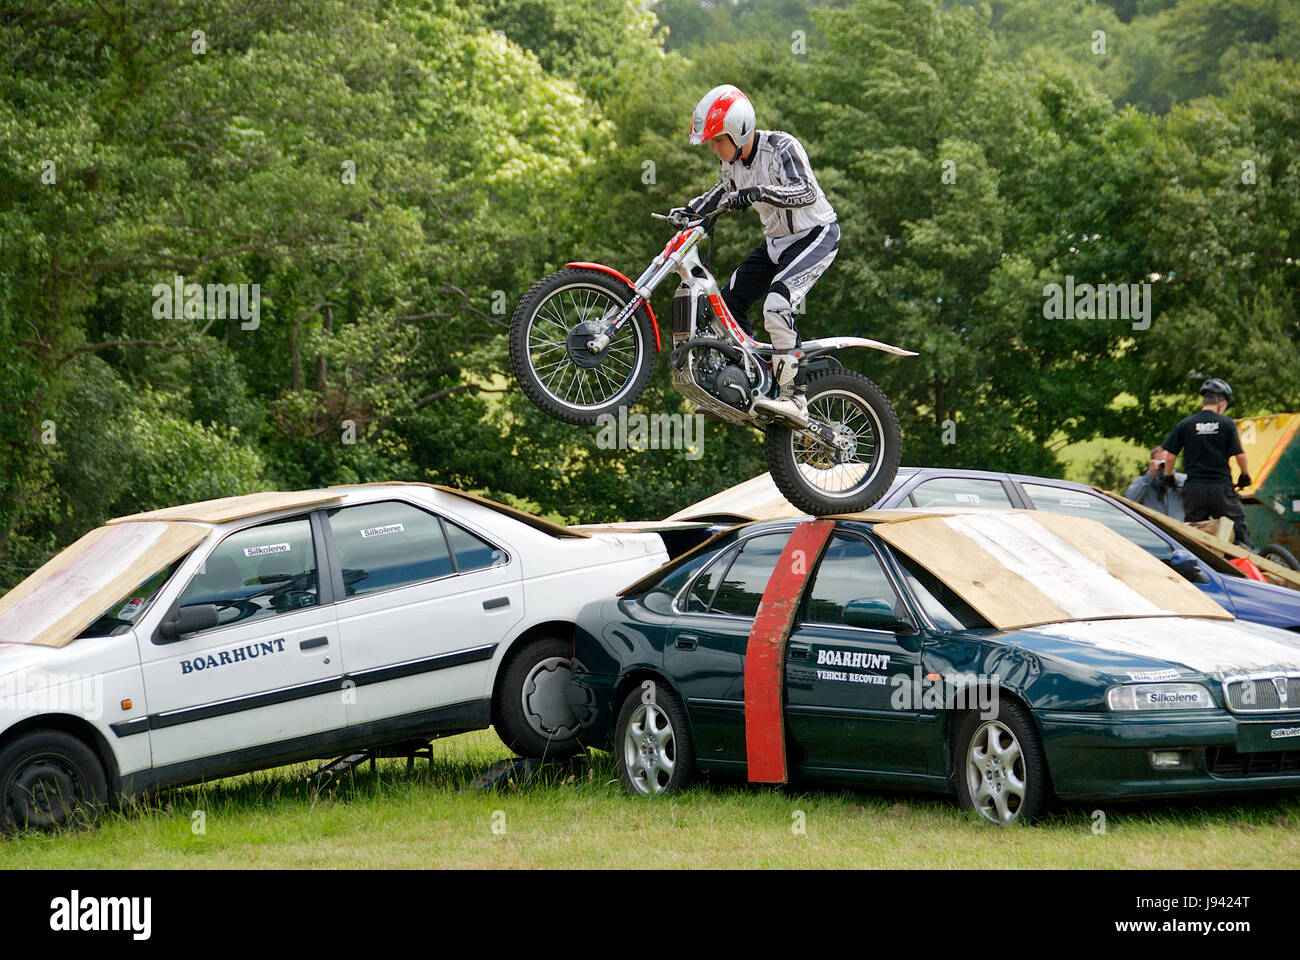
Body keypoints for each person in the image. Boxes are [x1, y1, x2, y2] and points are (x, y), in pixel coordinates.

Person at [673, 84, 838, 422]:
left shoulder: (782, 147)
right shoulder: (732, 165)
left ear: (740, 130)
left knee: (777, 304)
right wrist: (690, 212)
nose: (715, 149)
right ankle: (751, 382)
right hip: (777, 242)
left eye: (719, 140)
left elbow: (805, 191)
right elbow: (721, 193)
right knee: (728, 302)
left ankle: (795, 396)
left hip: (815, 236)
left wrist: (760, 191)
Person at [1154, 377, 1255, 549]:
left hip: (1195, 490)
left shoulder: (1186, 424)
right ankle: (1248, 566)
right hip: (1220, 489)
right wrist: (1245, 476)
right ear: (1221, 402)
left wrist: (1169, 477)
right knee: (1240, 533)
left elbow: (1169, 456)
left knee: (1194, 536)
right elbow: (1240, 456)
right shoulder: (1226, 424)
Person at [1124, 448, 1185, 521]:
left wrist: (1172, 477)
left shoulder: (1181, 480)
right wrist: (1149, 476)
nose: (1164, 466)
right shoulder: (1143, 481)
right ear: (1152, 462)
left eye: (1167, 462)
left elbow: (1195, 497)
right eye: (1161, 462)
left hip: (1178, 528)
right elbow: (1130, 501)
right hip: (1154, 529)